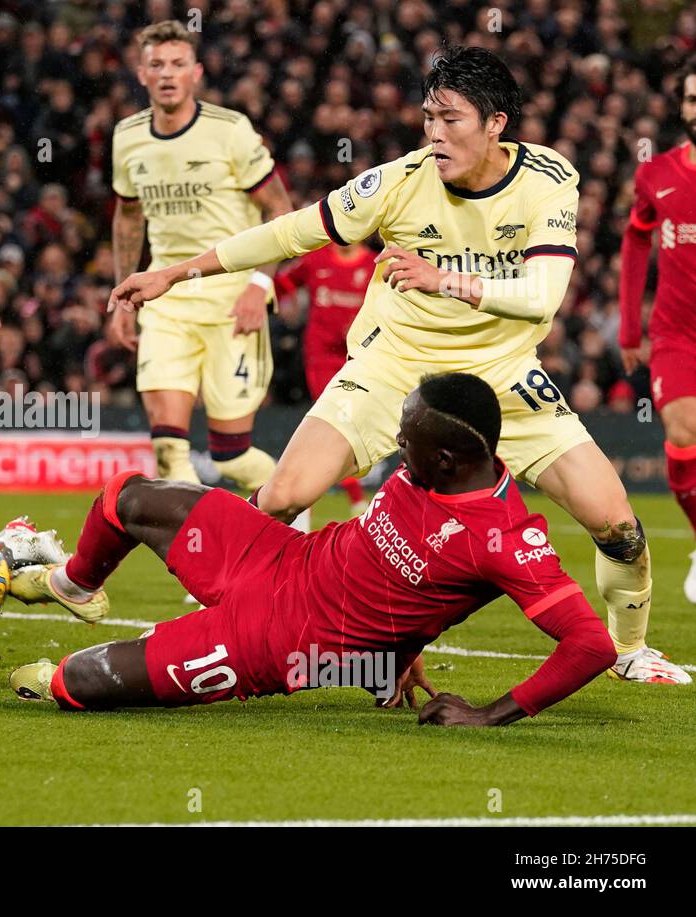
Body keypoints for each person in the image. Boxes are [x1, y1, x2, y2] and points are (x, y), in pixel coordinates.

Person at [110, 45, 687, 685]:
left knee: (618, 525)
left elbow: (541, 297)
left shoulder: (548, 179)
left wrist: (445, 280)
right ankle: (211, 616)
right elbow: (290, 232)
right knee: (282, 494)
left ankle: (630, 649)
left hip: (499, 375)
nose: (435, 134)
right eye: (428, 118)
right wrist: (176, 272)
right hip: (394, 367)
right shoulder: (396, 182)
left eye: (452, 119)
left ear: (496, 123)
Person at [10, 374, 621, 723]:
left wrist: (490, 713)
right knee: (126, 495)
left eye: (405, 440)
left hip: (274, 643)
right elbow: (404, 575)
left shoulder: (505, 540)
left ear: (443, 457)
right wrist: (404, 646)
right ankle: (76, 585)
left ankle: (129, 656)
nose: (396, 447)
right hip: (272, 555)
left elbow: (592, 644)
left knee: (73, 682)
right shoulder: (438, 466)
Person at [108, 20, 294, 505]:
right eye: (156, 65)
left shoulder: (230, 130)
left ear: (197, 73)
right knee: (169, 451)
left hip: (232, 297)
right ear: (141, 73)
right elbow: (128, 219)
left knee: (232, 456)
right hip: (166, 300)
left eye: (177, 64)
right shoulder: (126, 137)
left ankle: (296, 526)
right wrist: (123, 296)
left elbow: (279, 210)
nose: (167, 74)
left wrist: (259, 284)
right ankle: (196, 570)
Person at [618, 58, 696, 602]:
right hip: (676, 335)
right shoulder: (657, 174)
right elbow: (634, 241)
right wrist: (629, 329)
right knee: (684, 431)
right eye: (693, 98)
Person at [274, 241, 378, 513]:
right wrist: (288, 305)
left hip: (361, 356)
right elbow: (282, 283)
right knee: (336, 422)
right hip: (320, 356)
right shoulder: (315, 260)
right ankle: (356, 499)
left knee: (357, 423)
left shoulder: (376, 264)